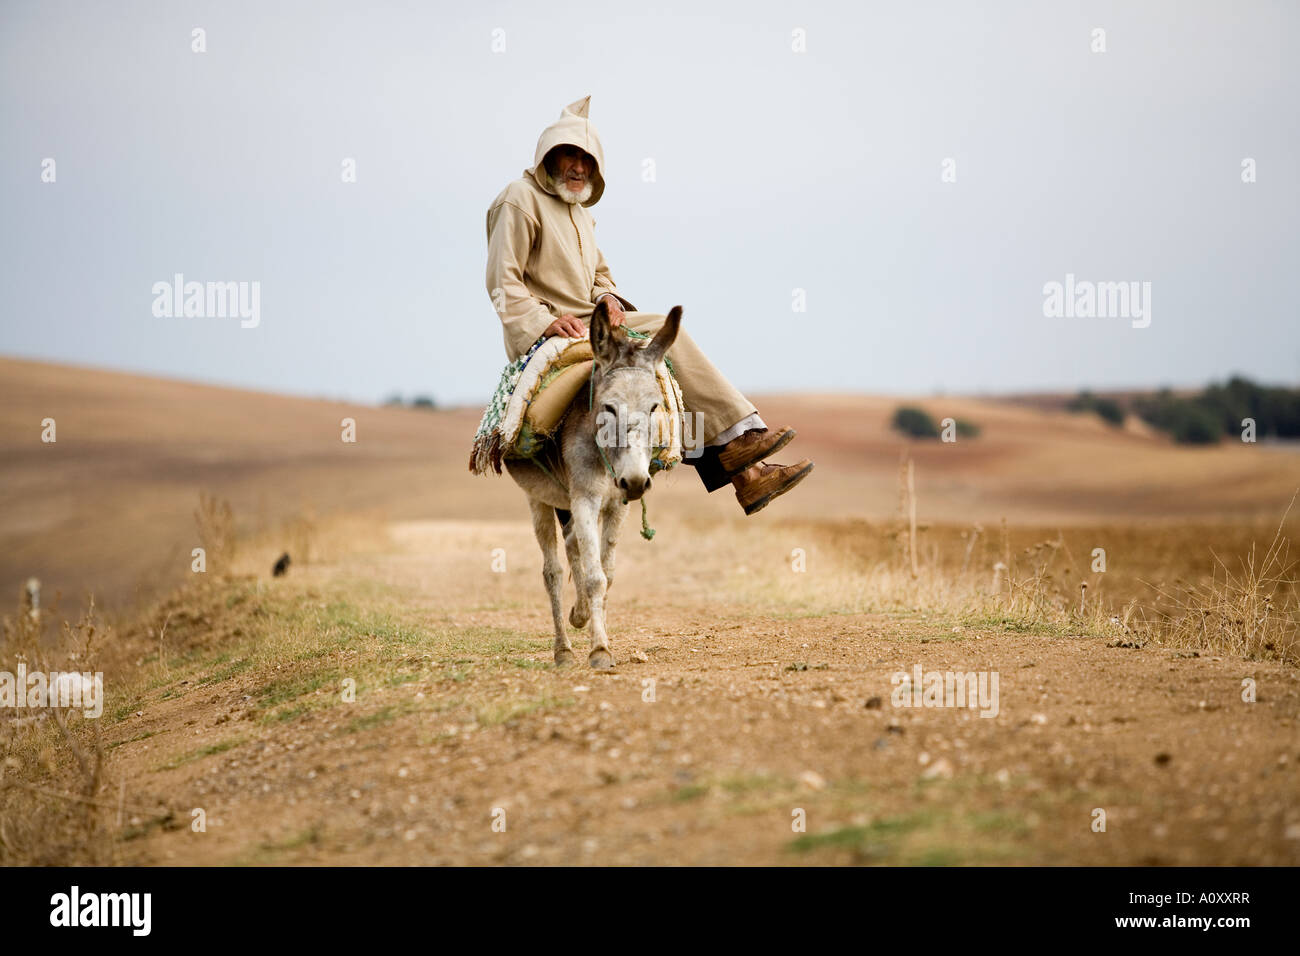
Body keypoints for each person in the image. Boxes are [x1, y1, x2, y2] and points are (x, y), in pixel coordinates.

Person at [485, 96, 813, 515]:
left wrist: (607, 297)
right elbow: (502, 281)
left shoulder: (580, 214)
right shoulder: (518, 199)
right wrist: (542, 323)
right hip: (550, 331)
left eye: (588, 160)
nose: (579, 167)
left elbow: (600, 277)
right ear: (548, 155)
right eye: (570, 154)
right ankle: (740, 442)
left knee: (663, 357)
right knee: (662, 325)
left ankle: (746, 473)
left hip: (594, 323)